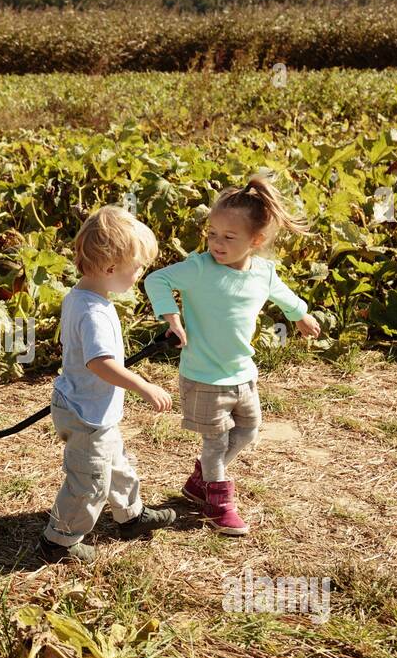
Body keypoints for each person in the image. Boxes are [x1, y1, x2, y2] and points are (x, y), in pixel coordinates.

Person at [144, 176, 321, 535]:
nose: (216, 243)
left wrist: (300, 314)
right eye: (212, 233)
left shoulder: (263, 272)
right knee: (216, 441)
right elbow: (156, 280)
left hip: (243, 372)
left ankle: (201, 481)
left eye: (228, 237)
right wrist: (172, 319)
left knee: (249, 430)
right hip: (203, 375)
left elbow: (284, 295)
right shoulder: (198, 268)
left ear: (255, 241)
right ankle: (218, 500)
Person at [41, 206, 177, 565]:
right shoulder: (94, 312)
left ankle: (130, 515)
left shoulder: (83, 296)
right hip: (87, 415)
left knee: (116, 464)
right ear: (111, 268)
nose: (140, 275)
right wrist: (143, 386)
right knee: (89, 481)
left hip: (91, 409)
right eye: (139, 268)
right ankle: (60, 539)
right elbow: (100, 363)